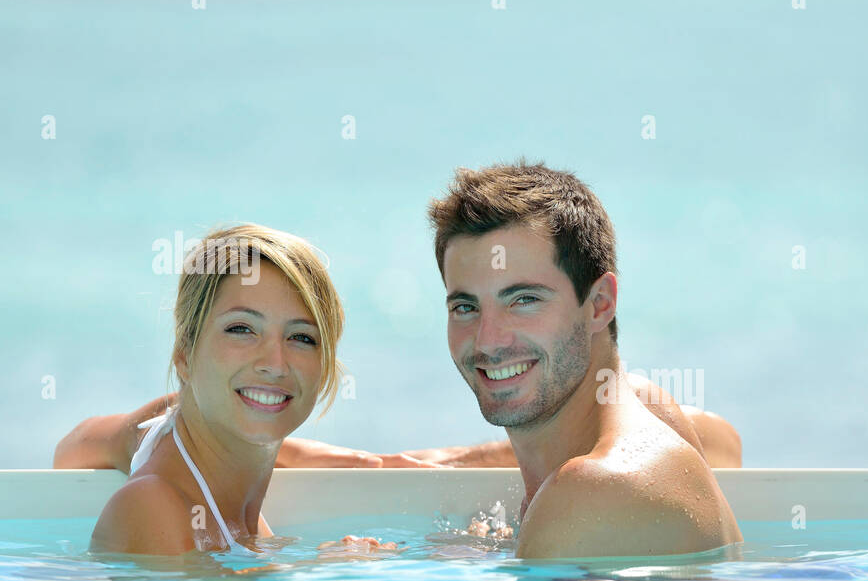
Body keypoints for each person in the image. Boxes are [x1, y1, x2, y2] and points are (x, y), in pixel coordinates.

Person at [428, 160, 742, 558]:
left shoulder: (588, 492)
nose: (488, 341)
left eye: (524, 300)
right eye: (465, 307)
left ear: (599, 304)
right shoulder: (645, 410)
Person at [84, 223, 393, 556]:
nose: (275, 363)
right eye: (242, 329)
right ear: (184, 355)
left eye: (301, 337)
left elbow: (73, 446)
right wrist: (328, 576)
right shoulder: (155, 508)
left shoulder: (222, 507)